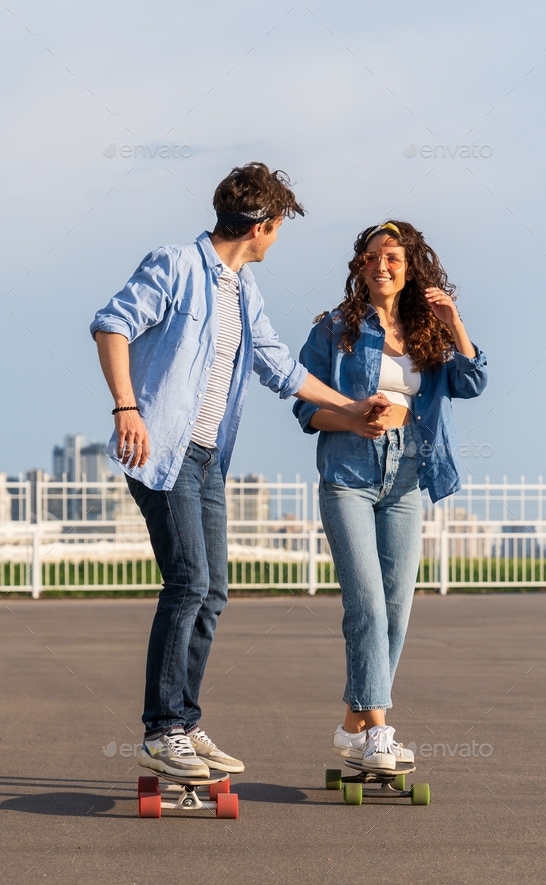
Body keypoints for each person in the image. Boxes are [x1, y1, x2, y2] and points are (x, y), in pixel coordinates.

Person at [90, 163, 391, 780]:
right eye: (278, 227)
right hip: (164, 449)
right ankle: (161, 729)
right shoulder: (174, 265)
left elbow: (280, 367)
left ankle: (184, 721)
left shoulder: (241, 291)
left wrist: (351, 408)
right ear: (263, 225)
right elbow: (112, 324)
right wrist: (127, 407)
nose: (276, 238)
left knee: (213, 591)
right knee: (189, 582)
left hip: (207, 459)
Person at [294, 220, 487, 772]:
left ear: (410, 266)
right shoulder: (337, 328)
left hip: (408, 472)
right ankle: (379, 730)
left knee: (397, 606)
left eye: (394, 257)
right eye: (373, 256)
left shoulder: (428, 329)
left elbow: (471, 382)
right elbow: (305, 407)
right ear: (359, 266)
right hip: (349, 470)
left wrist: (454, 322)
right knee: (368, 604)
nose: (382, 265)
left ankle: (353, 726)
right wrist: (353, 420)